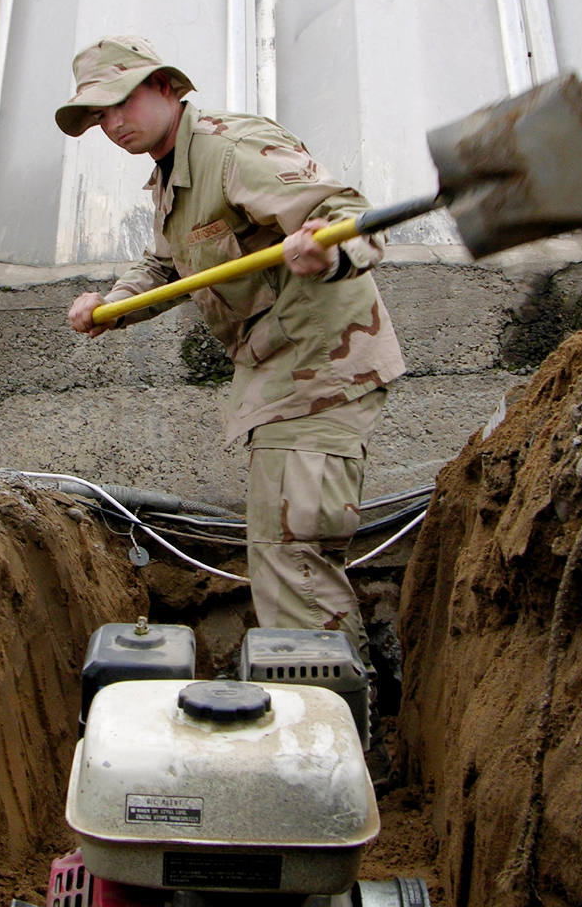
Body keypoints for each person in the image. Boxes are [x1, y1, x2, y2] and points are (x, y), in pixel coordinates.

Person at [59, 35, 405, 671]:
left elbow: (347, 214)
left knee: (294, 558)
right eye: (97, 116)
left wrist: (327, 253)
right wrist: (111, 304)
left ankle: (336, 733)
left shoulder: (229, 147)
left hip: (324, 367)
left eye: (119, 103)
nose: (110, 125)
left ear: (166, 86)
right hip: (278, 377)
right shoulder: (171, 178)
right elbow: (166, 265)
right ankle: (332, 719)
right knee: (283, 556)